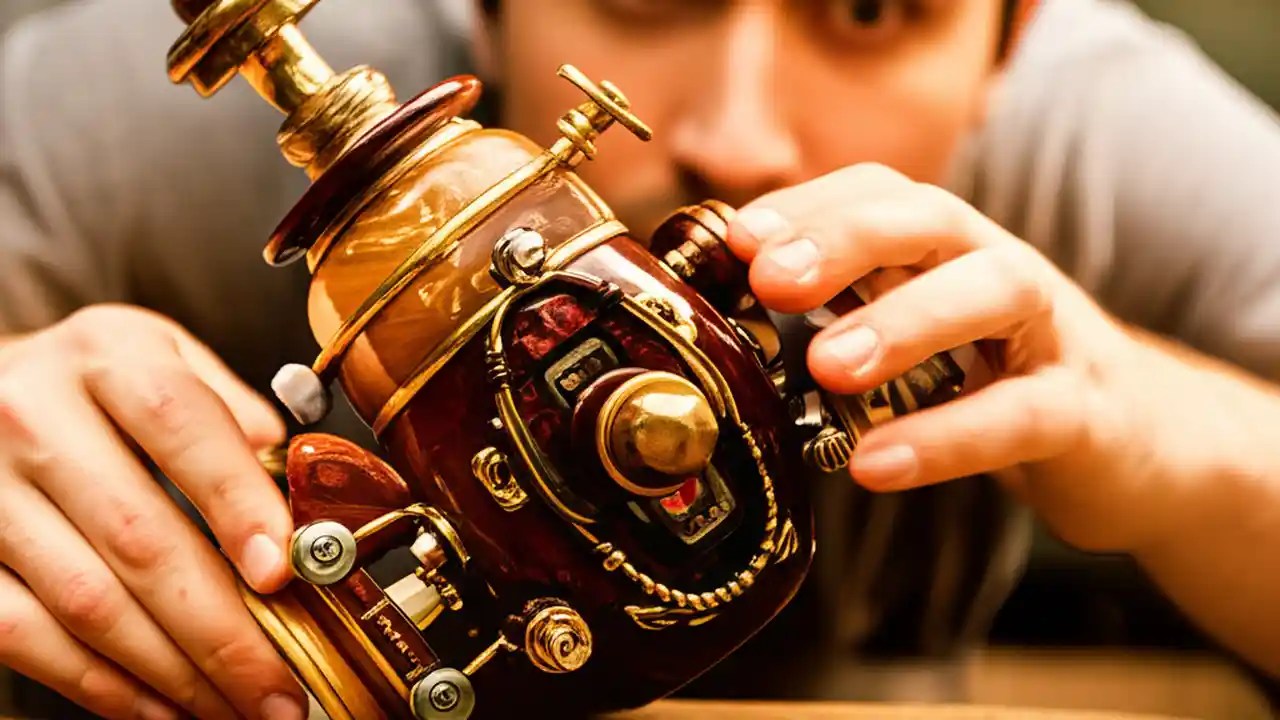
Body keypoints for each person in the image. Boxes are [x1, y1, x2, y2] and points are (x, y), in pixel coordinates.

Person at [0, 1, 1278, 719]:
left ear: (1013, 42)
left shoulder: (1098, 130)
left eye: (873, 10)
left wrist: (1180, 443)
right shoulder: (119, 133)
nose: (734, 137)